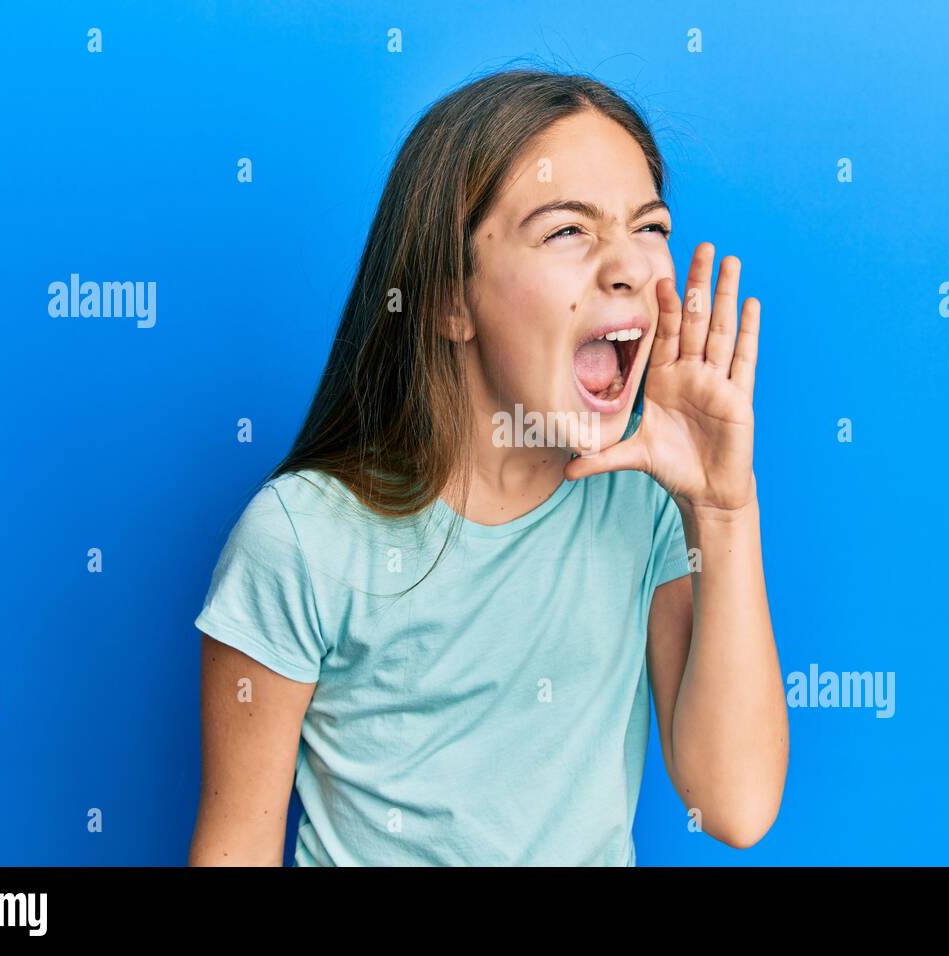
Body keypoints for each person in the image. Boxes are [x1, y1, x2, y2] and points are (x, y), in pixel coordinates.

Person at [187, 67, 789, 866]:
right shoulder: (302, 539)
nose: (630, 267)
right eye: (568, 231)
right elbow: (237, 844)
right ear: (448, 299)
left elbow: (736, 807)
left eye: (650, 227)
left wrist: (723, 510)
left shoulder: (641, 501)